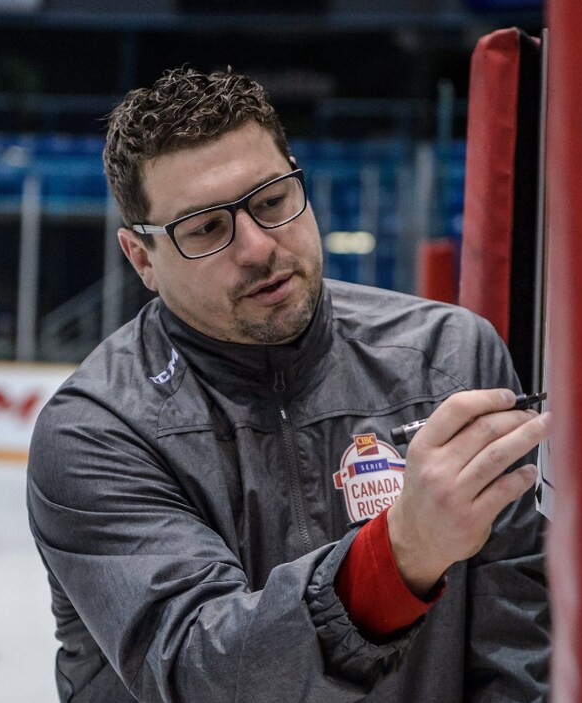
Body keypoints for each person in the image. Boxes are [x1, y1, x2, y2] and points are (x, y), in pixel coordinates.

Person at [27, 67, 551, 703]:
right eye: (206, 230)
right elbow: (202, 671)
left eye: (272, 202)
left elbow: (518, 649)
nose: (256, 247)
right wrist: (400, 553)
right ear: (142, 260)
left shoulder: (449, 359)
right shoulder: (100, 430)